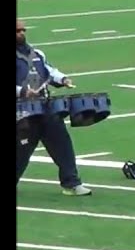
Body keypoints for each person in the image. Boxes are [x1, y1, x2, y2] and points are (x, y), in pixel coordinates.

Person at [16, 19, 92, 196]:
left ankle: (71, 183)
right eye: (17, 31)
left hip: (45, 107)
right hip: (22, 111)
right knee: (21, 151)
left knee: (62, 144)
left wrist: (63, 79)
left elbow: (50, 71)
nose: (21, 34)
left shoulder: (37, 53)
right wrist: (23, 91)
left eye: (22, 31)